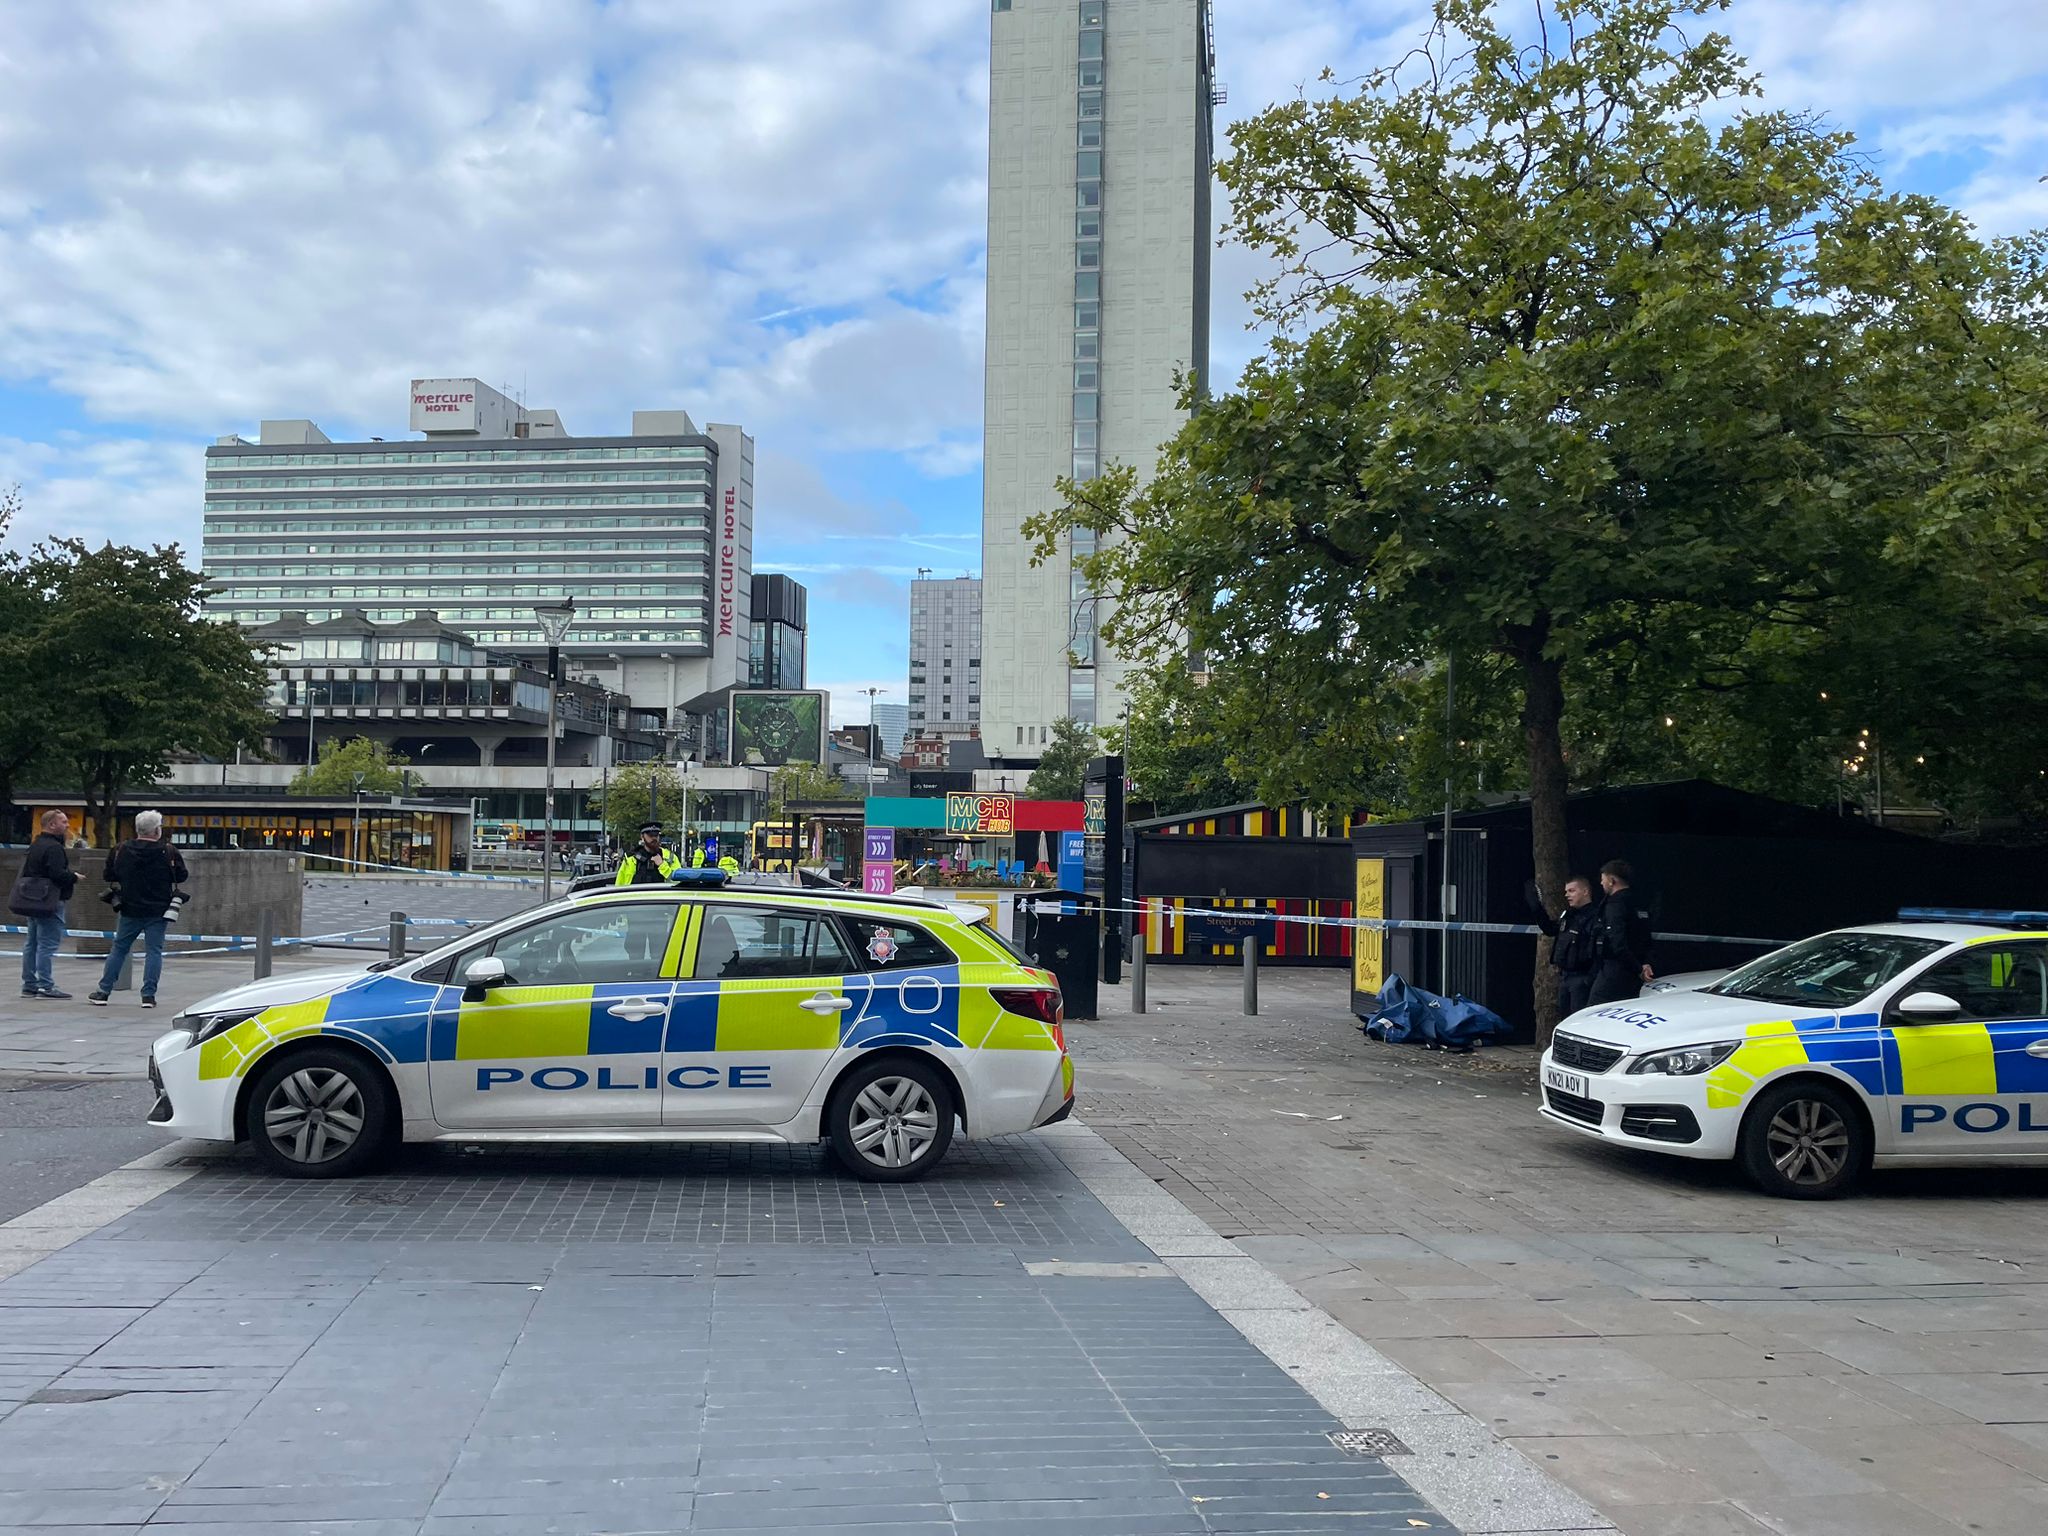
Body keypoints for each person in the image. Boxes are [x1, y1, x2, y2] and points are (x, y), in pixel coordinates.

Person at [88, 811, 188, 1009]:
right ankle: (148, 996)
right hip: (159, 909)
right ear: (157, 830)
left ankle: (103, 991)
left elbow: (109, 874)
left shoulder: (121, 849)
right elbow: (182, 875)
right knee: (154, 951)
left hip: (129, 907)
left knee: (119, 949)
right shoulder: (168, 851)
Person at [17, 810, 77, 999]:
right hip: (51, 901)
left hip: (32, 900)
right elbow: (58, 874)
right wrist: (73, 876)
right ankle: (46, 985)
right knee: (47, 945)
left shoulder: (35, 845)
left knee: (32, 943)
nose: (67, 825)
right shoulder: (54, 848)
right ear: (52, 825)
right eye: (64, 822)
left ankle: (29, 984)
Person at [1527, 874, 1602, 1018]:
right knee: (1565, 1018)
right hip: (1566, 976)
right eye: (1566, 891)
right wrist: (1537, 908)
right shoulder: (1569, 914)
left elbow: (1598, 951)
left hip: (1582, 977)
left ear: (1585, 891)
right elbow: (1551, 929)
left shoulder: (1594, 917)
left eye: (1571, 891)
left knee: (1578, 1020)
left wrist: (1590, 979)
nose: (1567, 895)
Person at [1587, 858, 1655, 1005]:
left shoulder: (1615, 904)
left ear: (1612, 880)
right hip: (1635, 971)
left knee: (1595, 1010)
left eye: (1603, 879)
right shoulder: (1639, 902)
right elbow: (1646, 937)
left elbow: (1617, 943)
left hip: (1615, 970)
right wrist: (1644, 964)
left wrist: (1638, 968)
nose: (1601, 883)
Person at [614, 823, 681, 886]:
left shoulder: (670, 857)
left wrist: (662, 865)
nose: (654, 838)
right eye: (650, 835)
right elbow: (619, 885)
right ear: (642, 837)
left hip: (662, 898)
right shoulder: (631, 859)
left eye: (656, 835)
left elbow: (679, 883)